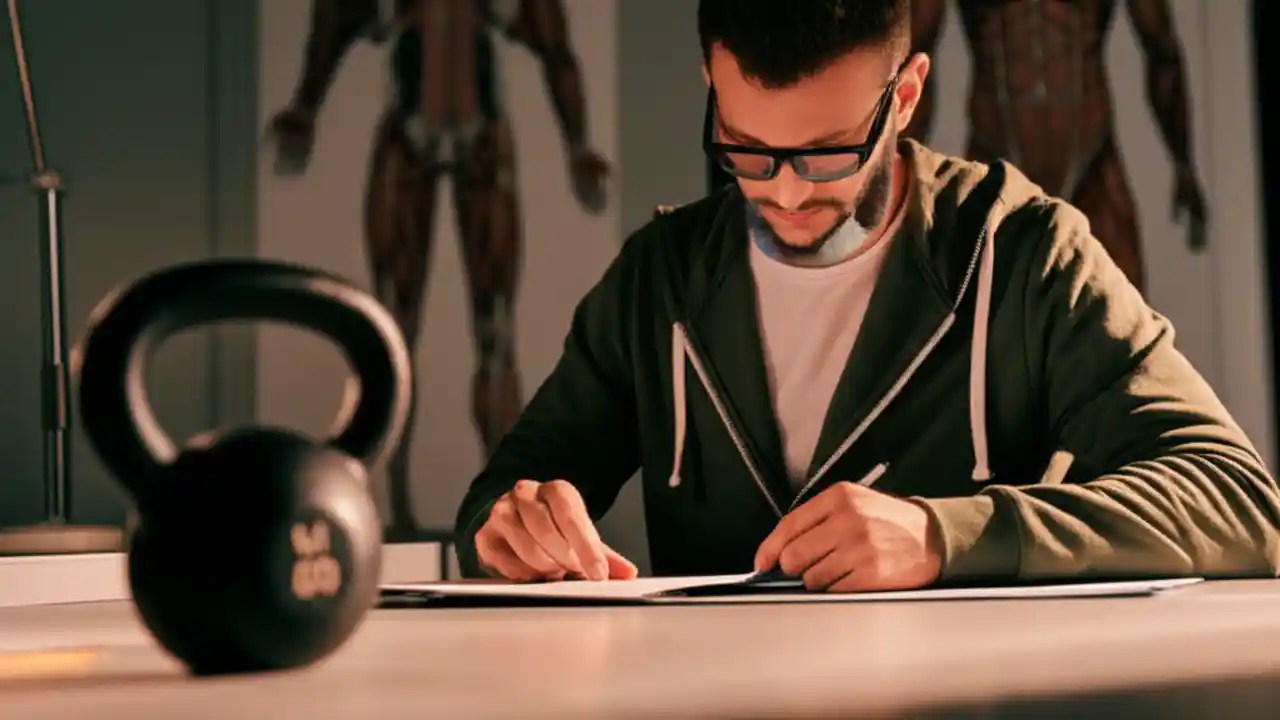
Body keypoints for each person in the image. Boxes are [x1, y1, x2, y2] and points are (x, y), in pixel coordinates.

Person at [453, 0, 1280, 591]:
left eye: (827, 154)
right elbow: (498, 500)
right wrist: (511, 527)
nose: (782, 194)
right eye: (745, 150)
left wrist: (944, 534)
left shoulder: (1024, 252)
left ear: (907, 95)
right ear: (711, 80)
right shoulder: (657, 275)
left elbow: (1238, 501)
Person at [266, 0, 609, 541]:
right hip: (409, 132)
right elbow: (332, 25)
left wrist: (579, 146)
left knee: (494, 335)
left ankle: (503, 509)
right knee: (394, 332)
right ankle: (393, 510)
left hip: (481, 136)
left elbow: (555, 47)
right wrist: (304, 107)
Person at [904, 0, 1208, 296]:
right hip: (994, 177)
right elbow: (917, 54)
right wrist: (905, 182)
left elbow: (1161, 49)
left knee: (1125, 333)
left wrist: (1184, 164)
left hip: (1093, 172)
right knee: (984, 335)